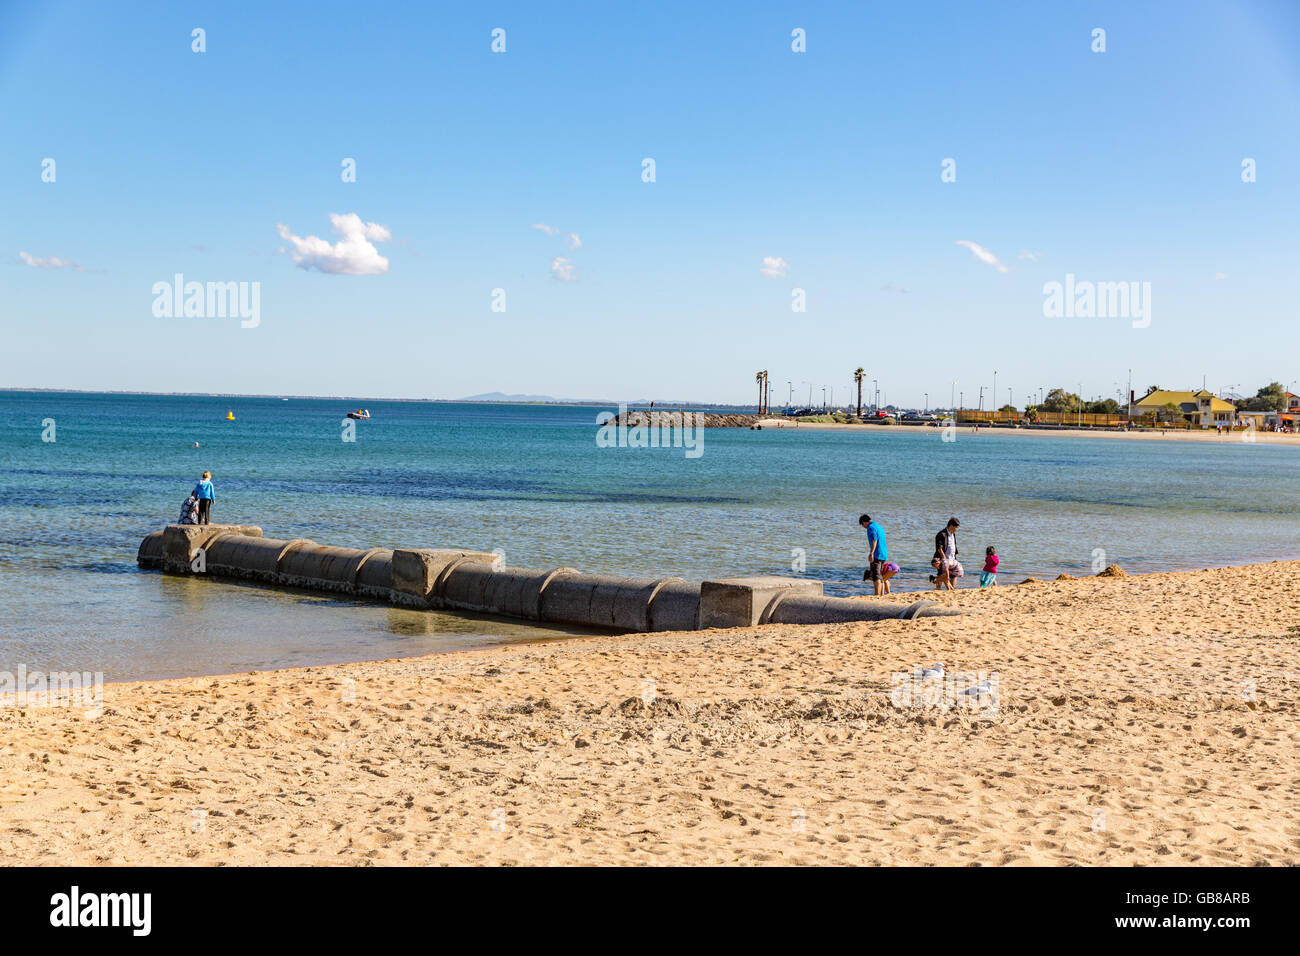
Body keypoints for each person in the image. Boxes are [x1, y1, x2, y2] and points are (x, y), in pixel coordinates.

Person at [858, 514, 890, 595]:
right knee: (880, 575)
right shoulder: (879, 526)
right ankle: (881, 594)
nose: (863, 527)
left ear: (864, 522)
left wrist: (871, 553)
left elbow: (874, 540)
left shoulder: (870, 528)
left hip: (877, 554)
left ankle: (877, 594)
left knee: (876, 576)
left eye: (862, 525)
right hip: (883, 554)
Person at [929, 517, 962, 590]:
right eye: (956, 527)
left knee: (953, 575)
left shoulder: (953, 534)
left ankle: (952, 589)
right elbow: (939, 548)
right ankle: (938, 588)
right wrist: (944, 559)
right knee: (943, 575)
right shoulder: (941, 534)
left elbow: (954, 545)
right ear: (951, 526)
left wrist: (956, 555)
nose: (957, 529)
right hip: (943, 559)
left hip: (952, 559)